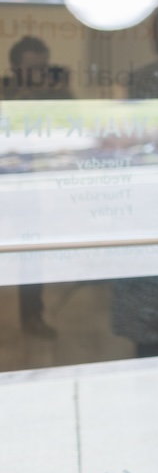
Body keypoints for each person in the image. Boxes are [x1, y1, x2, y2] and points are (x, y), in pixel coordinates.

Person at [3, 36, 73, 340]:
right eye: (32, 68)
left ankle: (33, 316)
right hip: (6, 182)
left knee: (31, 255)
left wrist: (60, 89)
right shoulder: (5, 91)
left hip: (33, 188)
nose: (38, 73)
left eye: (42, 67)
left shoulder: (54, 92)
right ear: (16, 67)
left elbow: (74, 122)